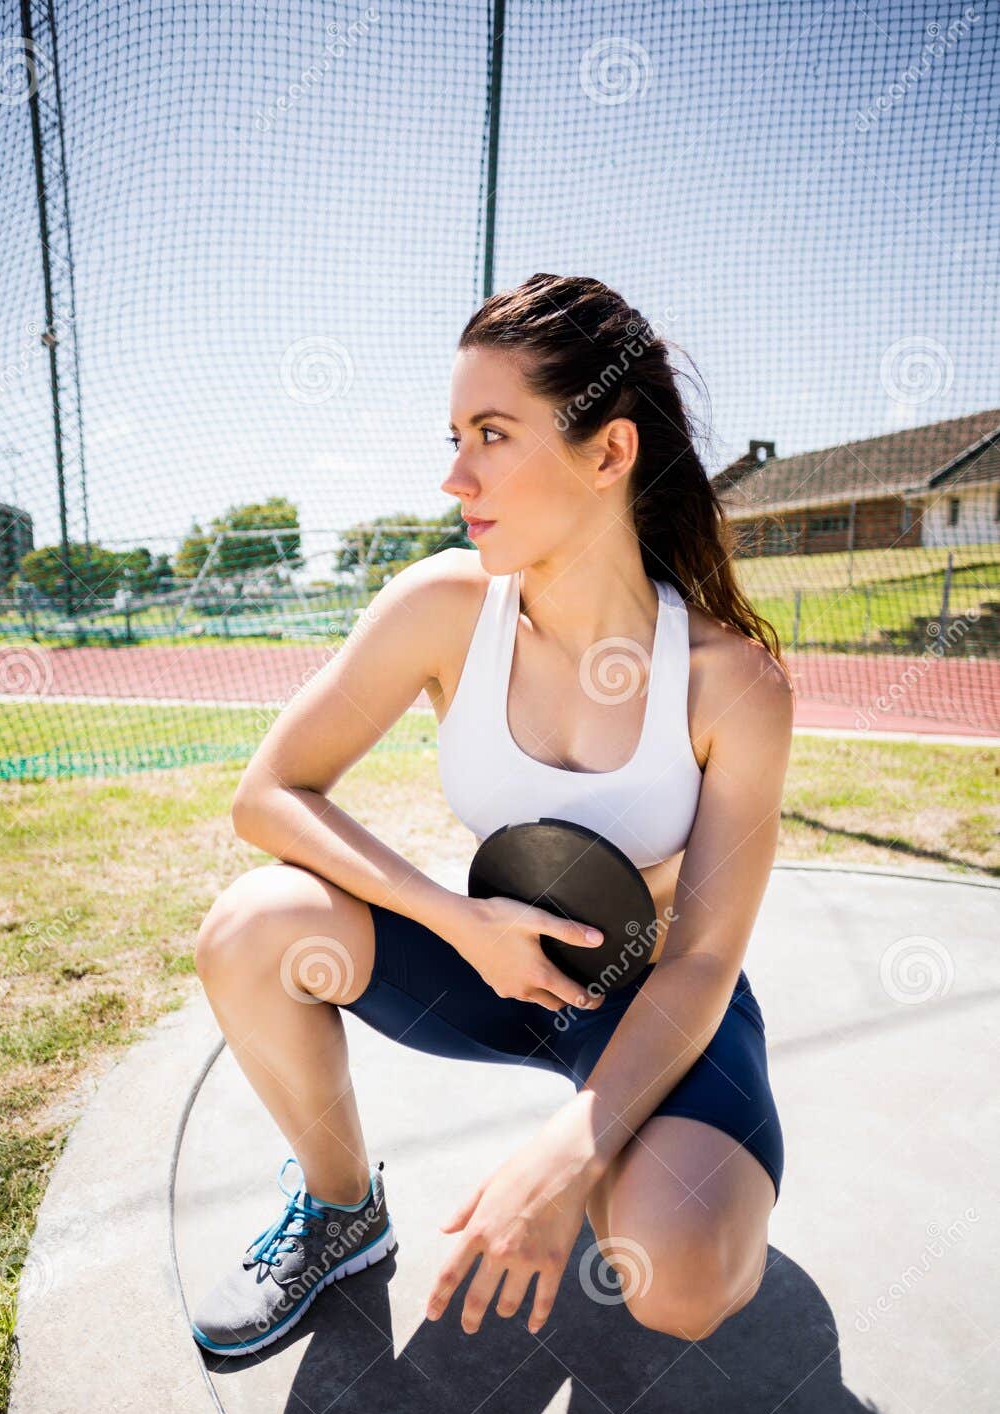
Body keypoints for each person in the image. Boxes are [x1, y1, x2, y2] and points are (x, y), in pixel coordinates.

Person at [190, 272, 794, 1358]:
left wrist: (564, 1154)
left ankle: (640, 1156)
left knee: (678, 1278)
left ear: (607, 453)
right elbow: (267, 796)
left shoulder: (730, 682)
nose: (453, 473)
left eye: (491, 433)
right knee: (252, 924)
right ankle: (342, 1213)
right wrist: (455, 919)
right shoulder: (439, 607)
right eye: (454, 433)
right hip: (491, 967)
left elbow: (702, 962)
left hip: (653, 1000)